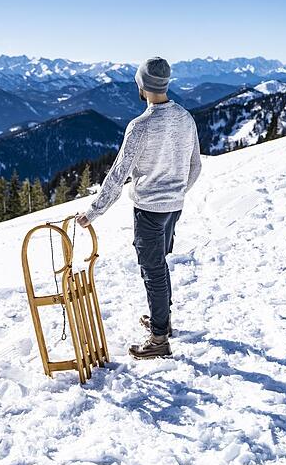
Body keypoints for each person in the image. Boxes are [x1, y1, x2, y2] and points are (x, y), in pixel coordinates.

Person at [75, 57, 201, 359]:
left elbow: (119, 174)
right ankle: (162, 321)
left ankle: (159, 339)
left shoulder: (140, 126)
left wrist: (93, 212)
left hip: (149, 211)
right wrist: (176, 193)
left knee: (152, 270)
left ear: (141, 86)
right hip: (173, 208)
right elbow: (195, 165)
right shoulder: (185, 118)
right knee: (159, 265)